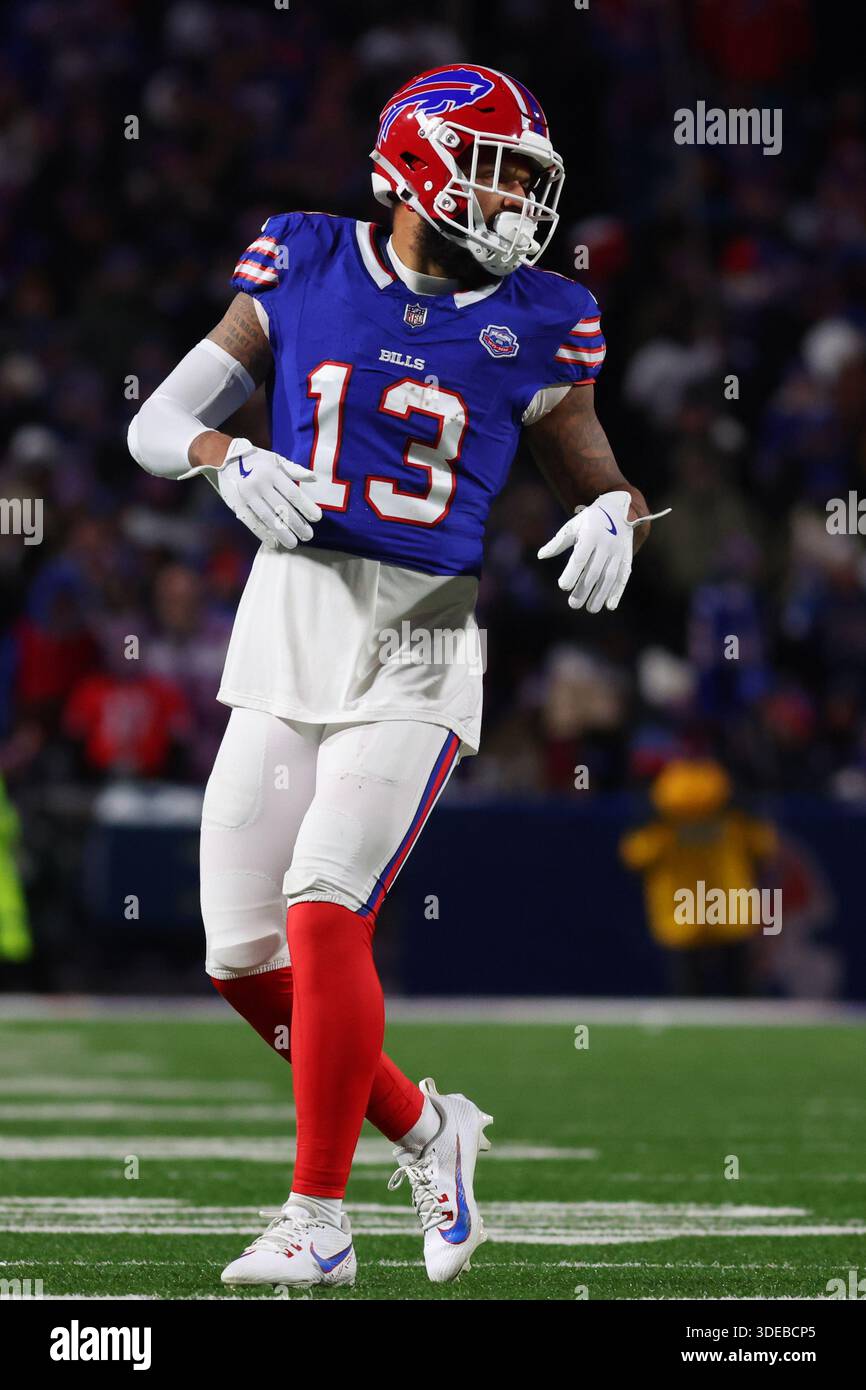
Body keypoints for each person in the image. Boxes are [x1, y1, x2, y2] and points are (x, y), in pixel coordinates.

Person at [128, 63, 664, 1290]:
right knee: (239, 954)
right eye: (503, 170)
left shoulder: (535, 315)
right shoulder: (304, 258)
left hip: (420, 633)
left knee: (326, 906)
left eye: (532, 177)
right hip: (286, 620)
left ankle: (317, 1221)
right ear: (418, 163)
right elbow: (152, 422)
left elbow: (605, 479)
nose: (522, 200)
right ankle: (431, 1131)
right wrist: (218, 453)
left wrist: (618, 520)